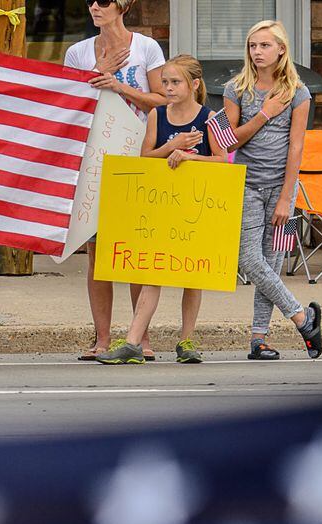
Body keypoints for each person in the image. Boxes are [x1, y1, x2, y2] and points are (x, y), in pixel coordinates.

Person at [95, 55, 227, 365]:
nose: (167, 88)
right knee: (154, 271)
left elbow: (225, 160)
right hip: (162, 204)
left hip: (196, 205)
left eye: (175, 82)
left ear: (194, 84)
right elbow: (146, 158)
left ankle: (187, 339)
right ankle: (132, 342)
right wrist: (173, 146)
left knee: (193, 276)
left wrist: (192, 157)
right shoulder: (156, 114)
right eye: (165, 82)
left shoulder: (213, 118)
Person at [63, 0, 167, 362]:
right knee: (97, 253)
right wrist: (97, 70)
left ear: (123, 5)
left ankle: (140, 337)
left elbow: (161, 99)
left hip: (136, 152)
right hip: (95, 157)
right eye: (91, 0)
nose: (95, 6)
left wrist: (120, 87)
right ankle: (102, 338)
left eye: (104, 1)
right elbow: (68, 100)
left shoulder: (146, 48)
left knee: (134, 251)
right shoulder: (77, 52)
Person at [222, 20, 322, 360]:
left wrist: (286, 198)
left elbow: (296, 148)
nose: (257, 52)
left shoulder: (299, 92)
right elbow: (230, 140)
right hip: (246, 186)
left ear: (281, 49)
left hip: (285, 192)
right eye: (253, 46)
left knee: (272, 262)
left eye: (264, 45)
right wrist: (265, 113)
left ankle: (258, 339)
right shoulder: (235, 89)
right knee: (250, 260)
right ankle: (302, 317)